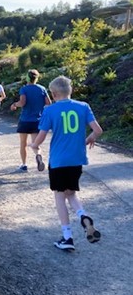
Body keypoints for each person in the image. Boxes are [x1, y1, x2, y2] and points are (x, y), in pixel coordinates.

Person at [29, 75, 103, 251]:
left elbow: (41, 136)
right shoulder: (83, 106)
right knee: (71, 193)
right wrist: (89, 139)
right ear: (71, 91)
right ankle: (83, 216)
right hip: (77, 159)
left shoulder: (50, 110)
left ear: (54, 94)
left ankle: (67, 236)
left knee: (59, 195)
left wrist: (34, 145)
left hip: (59, 160)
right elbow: (98, 130)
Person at [10, 69, 51, 171]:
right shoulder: (42, 89)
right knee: (35, 143)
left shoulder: (24, 89)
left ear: (27, 78)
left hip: (25, 120)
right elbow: (48, 103)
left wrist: (15, 104)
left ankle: (24, 165)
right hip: (37, 120)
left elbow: (22, 102)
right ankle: (38, 155)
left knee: (23, 143)